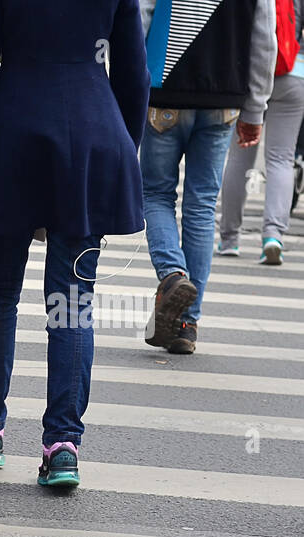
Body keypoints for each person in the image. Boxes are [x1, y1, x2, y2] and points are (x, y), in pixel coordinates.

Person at [0, 0, 149, 490]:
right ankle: (62, 446)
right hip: (92, 132)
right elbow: (135, 73)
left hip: (14, 133)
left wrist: (16, 79)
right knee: (72, 299)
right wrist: (121, 139)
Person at [138, 0, 277, 355]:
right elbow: (264, 41)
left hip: (164, 93)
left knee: (156, 194)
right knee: (201, 206)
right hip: (224, 96)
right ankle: (187, 324)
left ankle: (172, 275)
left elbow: (141, 18)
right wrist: (256, 109)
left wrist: (129, 87)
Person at [219, 0, 304, 263]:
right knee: (281, 158)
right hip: (294, 73)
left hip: (249, 73)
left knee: (239, 157)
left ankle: (230, 238)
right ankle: (273, 235)